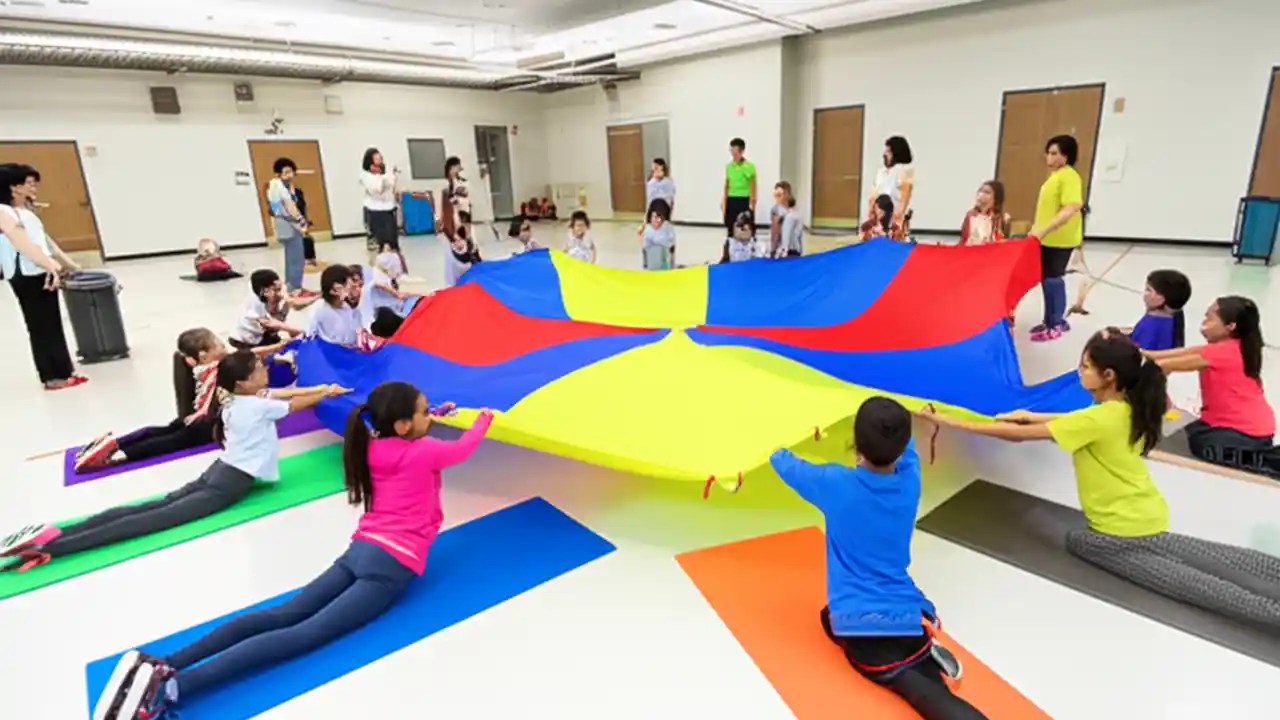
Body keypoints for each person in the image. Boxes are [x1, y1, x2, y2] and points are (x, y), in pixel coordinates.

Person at [88, 382, 494, 719]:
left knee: (282, 615)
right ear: (404, 424)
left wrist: (433, 414)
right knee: (304, 635)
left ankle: (166, 662)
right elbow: (464, 448)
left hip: (360, 549)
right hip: (389, 566)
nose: (430, 418)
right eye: (425, 413)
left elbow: (414, 434)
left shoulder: (372, 445)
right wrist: (484, 419)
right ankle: (176, 687)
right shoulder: (425, 451)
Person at [919, 330, 1280, 626]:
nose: (1079, 371)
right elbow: (1069, 424)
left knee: (1189, 582)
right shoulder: (1126, 407)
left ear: (1109, 376)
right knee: (1207, 557)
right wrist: (1030, 414)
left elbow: (1014, 436)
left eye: (1086, 366)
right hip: (1145, 514)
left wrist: (949, 422)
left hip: (1117, 531)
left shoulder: (1097, 418)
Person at [0, 351, 349, 572]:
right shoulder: (257, 405)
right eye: (259, 368)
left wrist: (321, 388)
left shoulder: (237, 398)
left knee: (154, 506)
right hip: (230, 481)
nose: (264, 370)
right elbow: (292, 404)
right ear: (243, 381)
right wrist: (321, 394)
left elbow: (282, 393)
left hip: (222, 470)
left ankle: (56, 532)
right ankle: (53, 546)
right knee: (154, 520)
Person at [771, 397, 985, 720]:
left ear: (855, 442)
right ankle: (923, 651)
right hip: (905, 611)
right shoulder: (910, 478)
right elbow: (905, 442)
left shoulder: (835, 484)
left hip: (858, 623)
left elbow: (784, 463)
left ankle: (922, 663)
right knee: (910, 669)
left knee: (923, 693)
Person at [1144, 297, 1277, 475]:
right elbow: (1157, 356)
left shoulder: (1221, 352)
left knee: (1200, 443)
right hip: (1252, 429)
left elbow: (1161, 365)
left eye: (1211, 317)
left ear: (1230, 326)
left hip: (1244, 433)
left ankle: (1262, 459)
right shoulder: (1232, 346)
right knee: (1193, 431)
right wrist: (1130, 349)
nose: (1204, 318)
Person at [74, 328, 233, 472]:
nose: (224, 347)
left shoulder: (199, 368)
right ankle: (120, 454)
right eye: (220, 345)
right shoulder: (217, 368)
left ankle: (114, 443)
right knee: (171, 441)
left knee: (159, 431)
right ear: (204, 356)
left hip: (196, 415)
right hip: (207, 423)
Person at [0, 163, 87, 391]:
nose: (33, 187)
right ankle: (52, 376)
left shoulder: (25, 211)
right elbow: (22, 242)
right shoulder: (4, 211)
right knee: (40, 325)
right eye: (28, 183)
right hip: (28, 274)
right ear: (14, 187)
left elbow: (45, 242)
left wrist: (65, 265)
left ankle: (63, 371)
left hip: (40, 270)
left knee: (52, 322)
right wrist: (49, 264)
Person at [1028, 135, 1085, 342]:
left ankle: (1056, 323)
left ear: (1065, 156)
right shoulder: (1056, 176)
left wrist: (1045, 230)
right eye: (1048, 153)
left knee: (1053, 280)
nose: (1049, 157)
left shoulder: (1069, 176)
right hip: (1046, 238)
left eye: (1054, 153)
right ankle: (1050, 320)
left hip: (1059, 239)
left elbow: (1071, 207)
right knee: (1047, 279)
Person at [266, 158, 315, 300]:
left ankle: (290, 286)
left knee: (291, 256)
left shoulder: (288, 188)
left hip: (289, 223)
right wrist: (300, 221)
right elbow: (288, 207)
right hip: (287, 224)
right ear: (278, 174)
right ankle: (295, 288)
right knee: (296, 257)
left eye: (291, 171)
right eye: (286, 172)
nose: (290, 175)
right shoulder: (277, 186)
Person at [230, 269, 307, 350]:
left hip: (265, 333)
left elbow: (295, 305)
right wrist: (304, 333)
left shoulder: (269, 289)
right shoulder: (254, 308)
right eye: (276, 290)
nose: (281, 293)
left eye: (280, 287)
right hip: (247, 341)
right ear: (264, 291)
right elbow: (276, 324)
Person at [1126, 270, 1192, 352]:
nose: (1145, 294)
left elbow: (1142, 353)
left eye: (1148, 290)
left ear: (1160, 299)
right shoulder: (1173, 318)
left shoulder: (1151, 325)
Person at [360, 148, 403, 270]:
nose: (380, 161)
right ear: (370, 162)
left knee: (391, 243)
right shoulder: (366, 176)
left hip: (389, 210)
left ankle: (393, 272)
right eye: (377, 159)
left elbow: (392, 189)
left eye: (381, 158)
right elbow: (377, 190)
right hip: (374, 212)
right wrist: (388, 178)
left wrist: (394, 180)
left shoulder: (384, 175)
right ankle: (378, 272)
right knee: (378, 245)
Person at [870, 136, 915, 238]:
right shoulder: (881, 172)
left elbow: (904, 200)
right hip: (878, 221)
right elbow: (873, 195)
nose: (884, 154)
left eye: (888, 152)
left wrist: (897, 222)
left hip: (892, 223)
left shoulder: (903, 172)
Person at [308, 265, 362, 346]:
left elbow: (357, 336)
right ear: (335, 290)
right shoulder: (319, 309)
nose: (356, 291)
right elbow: (310, 336)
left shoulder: (351, 309)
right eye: (351, 287)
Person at [722, 138, 756, 238]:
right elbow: (727, 183)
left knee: (744, 225)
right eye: (731, 151)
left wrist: (753, 202)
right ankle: (730, 247)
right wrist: (724, 200)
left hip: (744, 199)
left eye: (735, 151)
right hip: (731, 198)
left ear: (741, 151)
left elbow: (753, 184)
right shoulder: (729, 166)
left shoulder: (749, 167)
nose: (733, 154)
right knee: (730, 224)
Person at [959, 181, 1009, 246]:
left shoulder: (998, 218)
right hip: (971, 252)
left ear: (995, 198)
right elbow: (964, 239)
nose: (981, 194)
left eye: (987, 192)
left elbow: (999, 240)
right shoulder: (971, 215)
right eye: (980, 191)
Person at [640, 199, 675, 270]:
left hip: (664, 260)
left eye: (661, 219)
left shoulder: (667, 228)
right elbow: (645, 250)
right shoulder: (648, 230)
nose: (658, 221)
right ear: (650, 216)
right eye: (655, 217)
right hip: (652, 261)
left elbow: (671, 248)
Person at [771, 181, 804, 258]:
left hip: (788, 250)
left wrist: (773, 250)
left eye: (780, 195)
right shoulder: (776, 210)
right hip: (789, 249)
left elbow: (776, 233)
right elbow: (775, 232)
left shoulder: (791, 214)